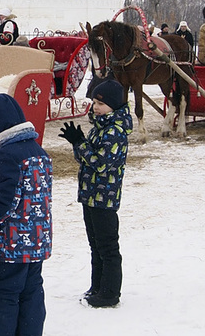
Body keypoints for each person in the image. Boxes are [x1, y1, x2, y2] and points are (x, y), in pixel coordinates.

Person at [0, 94, 53, 336]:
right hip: (37, 241)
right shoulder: (38, 151)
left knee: (5, 294)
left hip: (13, 245)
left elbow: (5, 199)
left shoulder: (6, 157)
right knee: (32, 291)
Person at [58, 78, 130, 309]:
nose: (95, 107)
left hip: (104, 197)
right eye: (94, 102)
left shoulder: (115, 132)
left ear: (113, 106)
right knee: (95, 244)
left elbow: (99, 163)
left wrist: (80, 143)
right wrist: (78, 143)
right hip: (90, 195)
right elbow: (84, 159)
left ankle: (109, 293)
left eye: (100, 103)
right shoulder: (100, 128)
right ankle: (97, 286)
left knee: (107, 246)